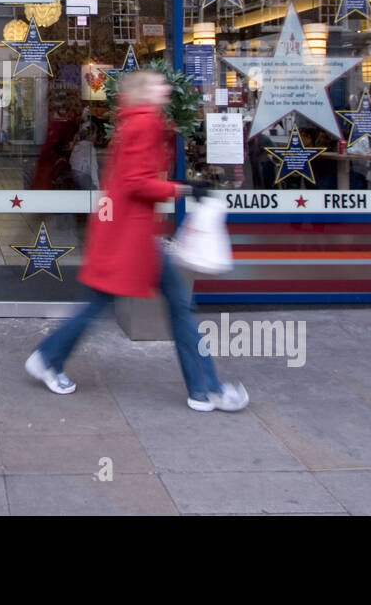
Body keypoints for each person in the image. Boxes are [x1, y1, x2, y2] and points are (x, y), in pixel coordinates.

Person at [25, 68, 249, 412]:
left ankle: (205, 389)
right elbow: (136, 181)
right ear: (145, 90)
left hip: (129, 234)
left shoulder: (137, 121)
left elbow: (131, 178)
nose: (165, 86)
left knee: (135, 304)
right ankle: (206, 389)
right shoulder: (145, 123)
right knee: (169, 307)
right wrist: (183, 188)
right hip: (133, 236)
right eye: (158, 83)